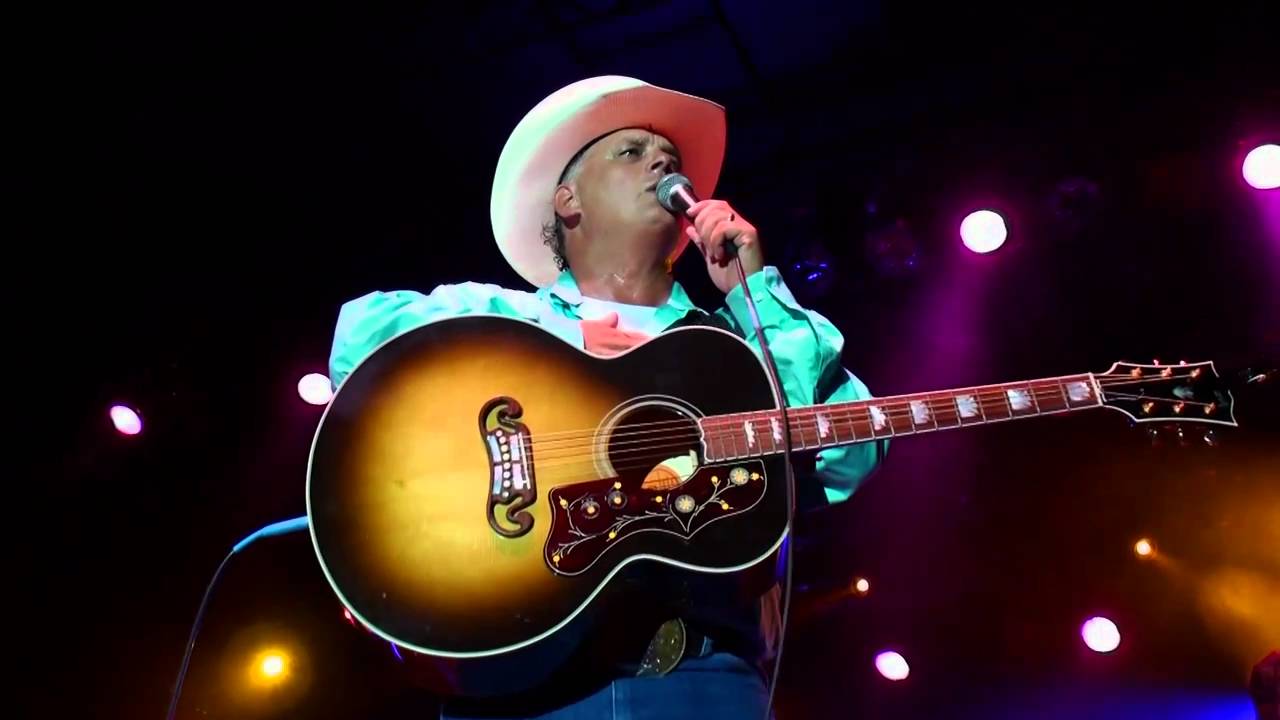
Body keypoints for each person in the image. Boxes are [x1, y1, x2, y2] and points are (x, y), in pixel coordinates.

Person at [328, 76, 888, 720]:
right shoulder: (504, 317)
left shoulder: (732, 346)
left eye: (670, 158)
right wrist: (560, 344)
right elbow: (358, 338)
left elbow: (848, 458)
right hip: (518, 679)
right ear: (567, 200)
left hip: (703, 681)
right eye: (631, 152)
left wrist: (754, 290)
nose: (663, 164)